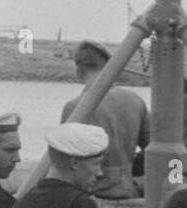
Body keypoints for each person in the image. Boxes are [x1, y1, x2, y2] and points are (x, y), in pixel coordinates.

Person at [61, 39, 150, 199]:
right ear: (111, 69)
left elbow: (64, 163)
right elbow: (153, 146)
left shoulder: (74, 107)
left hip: (90, 195)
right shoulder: (135, 100)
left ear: (79, 70)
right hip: (129, 190)